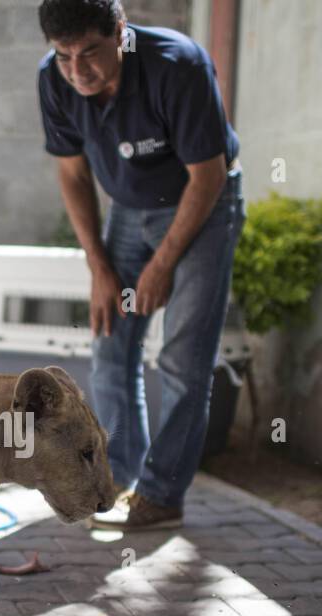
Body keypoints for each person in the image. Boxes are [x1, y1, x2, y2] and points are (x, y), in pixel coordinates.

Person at [37, 0, 245, 530]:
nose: (78, 71)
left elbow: (209, 176)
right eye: (64, 56)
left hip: (204, 203)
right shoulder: (54, 80)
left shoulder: (178, 64)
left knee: (182, 357)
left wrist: (162, 265)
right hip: (130, 210)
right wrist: (100, 268)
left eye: (91, 52)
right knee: (111, 342)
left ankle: (161, 495)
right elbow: (74, 175)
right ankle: (118, 478)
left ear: (121, 34)